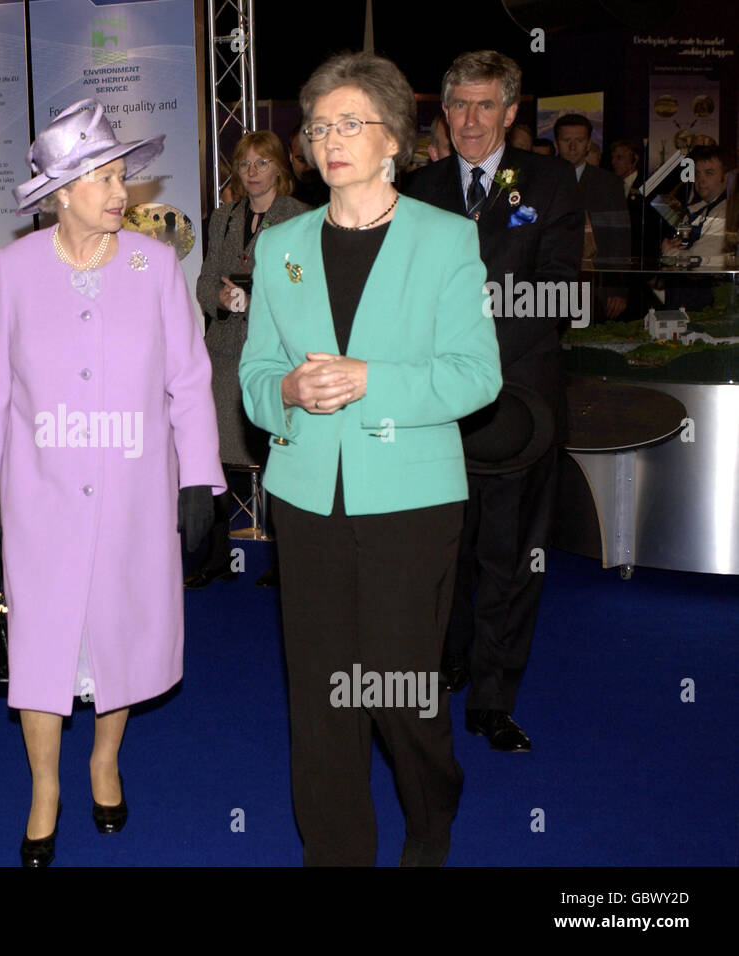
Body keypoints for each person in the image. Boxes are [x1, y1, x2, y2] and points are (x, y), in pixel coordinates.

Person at [241, 51, 502, 866]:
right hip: (307, 498)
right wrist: (286, 391)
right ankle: (336, 852)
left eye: (350, 123)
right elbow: (251, 380)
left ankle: (431, 817)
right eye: (318, 127)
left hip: (411, 504)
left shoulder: (446, 238)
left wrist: (369, 381)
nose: (330, 139)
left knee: (400, 693)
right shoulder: (280, 245)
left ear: (394, 139)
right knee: (321, 697)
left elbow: (476, 376)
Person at [0, 99, 223, 867]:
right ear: (61, 193)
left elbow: (188, 381)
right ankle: (45, 788)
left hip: (136, 492)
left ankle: (105, 760)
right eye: (103, 178)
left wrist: (198, 480)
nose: (120, 192)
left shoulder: (156, 266)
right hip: (40, 494)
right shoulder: (15, 268)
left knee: (123, 632)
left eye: (122, 176)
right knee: (42, 644)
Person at [405, 50, 583, 753]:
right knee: (445, 548)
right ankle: (448, 662)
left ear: (511, 112)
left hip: (516, 407)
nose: (471, 120)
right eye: (458, 106)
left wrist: (470, 356)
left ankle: (492, 697)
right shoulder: (417, 187)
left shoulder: (550, 182)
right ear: (442, 114)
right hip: (433, 409)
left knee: (512, 555)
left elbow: (560, 290)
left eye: (485, 106)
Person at [190, 131, 308, 590]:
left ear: (280, 167)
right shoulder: (223, 217)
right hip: (221, 355)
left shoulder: (298, 218)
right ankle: (218, 556)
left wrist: (256, 296)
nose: (252, 172)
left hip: (273, 353)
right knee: (212, 458)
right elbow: (202, 283)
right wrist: (219, 298)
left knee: (277, 456)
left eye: (261, 163)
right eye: (244, 165)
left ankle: (286, 559)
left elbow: (302, 283)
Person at [554, 113, 630, 318]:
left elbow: (619, 240)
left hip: (597, 287)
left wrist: (618, 290)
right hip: (550, 287)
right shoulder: (541, 182)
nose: (572, 146)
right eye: (566, 140)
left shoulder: (609, 184)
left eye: (578, 140)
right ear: (556, 143)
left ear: (588, 144)